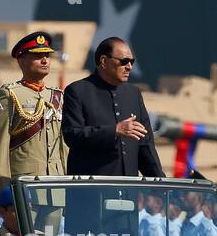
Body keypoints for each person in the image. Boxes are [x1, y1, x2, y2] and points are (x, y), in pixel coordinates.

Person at [61, 36, 164, 179]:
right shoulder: (77, 91)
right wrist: (114, 130)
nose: (129, 67)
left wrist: (162, 182)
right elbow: (72, 135)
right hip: (91, 186)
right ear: (104, 61)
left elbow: (145, 145)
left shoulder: (133, 93)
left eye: (132, 62)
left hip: (128, 187)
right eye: (124, 61)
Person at [0, 31, 68, 207]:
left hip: (57, 186)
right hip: (25, 187)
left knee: (53, 227)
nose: (45, 60)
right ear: (21, 60)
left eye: (47, 55)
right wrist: (2, 189)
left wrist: (69, 180)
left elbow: (64, 146)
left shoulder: (58, 96)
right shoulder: (8, 94)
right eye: (38, 56)